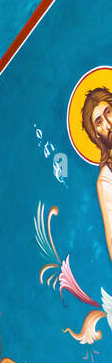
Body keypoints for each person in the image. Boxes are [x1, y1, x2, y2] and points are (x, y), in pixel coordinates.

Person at [79, 86, 112, 263]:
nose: (108, 124)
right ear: (96, 134)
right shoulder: (106, 180)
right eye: (99, 122)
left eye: (109, 112)